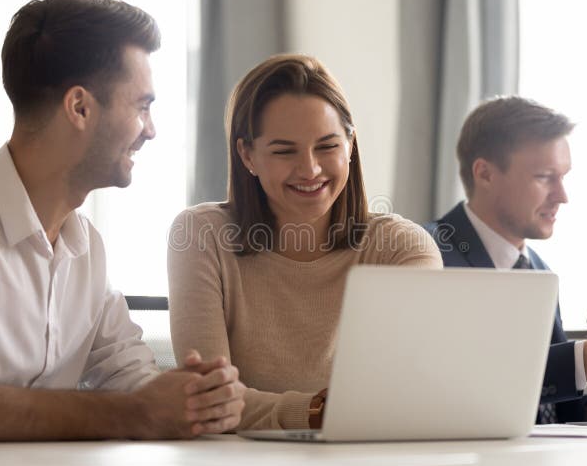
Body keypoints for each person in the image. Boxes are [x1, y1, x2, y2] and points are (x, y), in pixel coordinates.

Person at [0, 0, 245, 441]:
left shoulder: (87, 246)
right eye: (142, 107)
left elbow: (133, 378)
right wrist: (129, 414)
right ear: (80, 108)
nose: (151, 130)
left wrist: (197, 397)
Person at [167, 54, 442, 430]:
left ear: (350, 143)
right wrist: (315, 413)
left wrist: (321, 413)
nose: (310, 169)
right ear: (247, 154)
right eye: (284, 151)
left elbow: (414, 392)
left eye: (327, 146)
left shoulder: (401, 247)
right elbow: (211, 399)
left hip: (367, 462)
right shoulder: (202, 235)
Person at [426, 96, 587, 423]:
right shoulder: (424, 254)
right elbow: (458, 385)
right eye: (544, 177)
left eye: (563, 176)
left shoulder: (539, 271)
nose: (563, 196)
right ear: (484, 174)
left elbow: (547, 403)